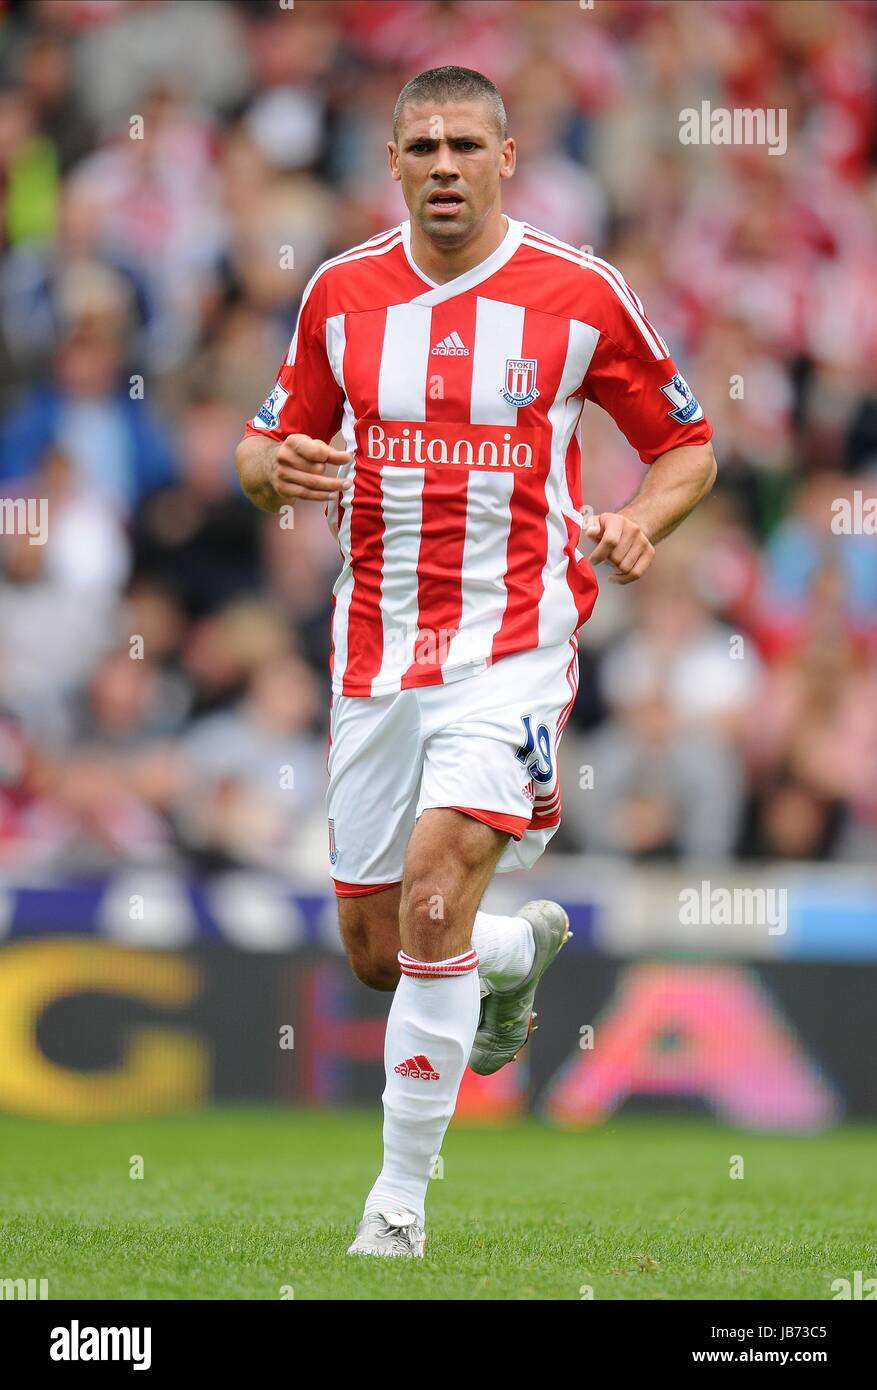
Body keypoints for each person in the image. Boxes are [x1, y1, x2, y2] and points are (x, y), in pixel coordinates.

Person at [234, 66, 716, 1258]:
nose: (442, 164)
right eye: (421, 145)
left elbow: (687, 445)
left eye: (464, 144)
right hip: (372, 655)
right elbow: (261, 443)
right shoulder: (340, 295)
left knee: (439, 883)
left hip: (513, 647)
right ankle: (514, 953)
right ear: (390, 162)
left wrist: (644, 519)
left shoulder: (583, 292)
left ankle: (395, 1211)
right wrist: (272, 471)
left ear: (507, 158)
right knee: (379, 949)